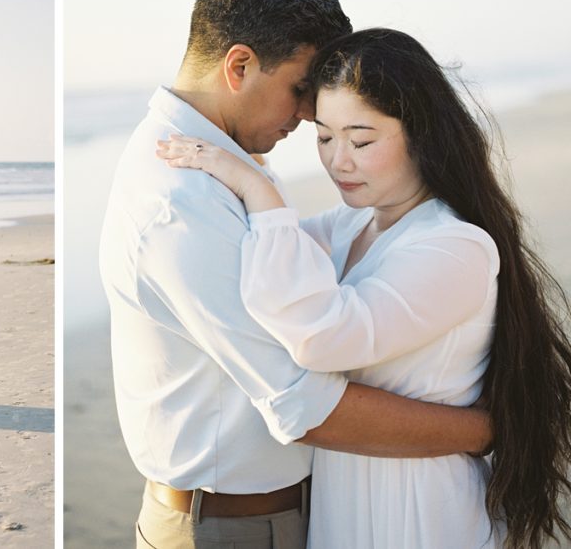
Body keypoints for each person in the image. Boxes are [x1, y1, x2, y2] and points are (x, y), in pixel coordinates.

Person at [98, 0, 491, 549]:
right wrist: (486, 429)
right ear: (239, 65)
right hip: (232, 528)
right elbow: (307, 403)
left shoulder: (223, 165)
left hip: (274, 516)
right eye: (301, 89)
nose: (310, 115)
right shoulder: (185, 203)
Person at [157, 27, 571, 548]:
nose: (338, 161)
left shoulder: (456, 246)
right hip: (345, 498)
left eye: (362, 140)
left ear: (421, 133)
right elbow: (264, 265)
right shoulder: (353, 225)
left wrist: (257, 187)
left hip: (418, 509)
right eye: (325, 138)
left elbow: (323, 337)